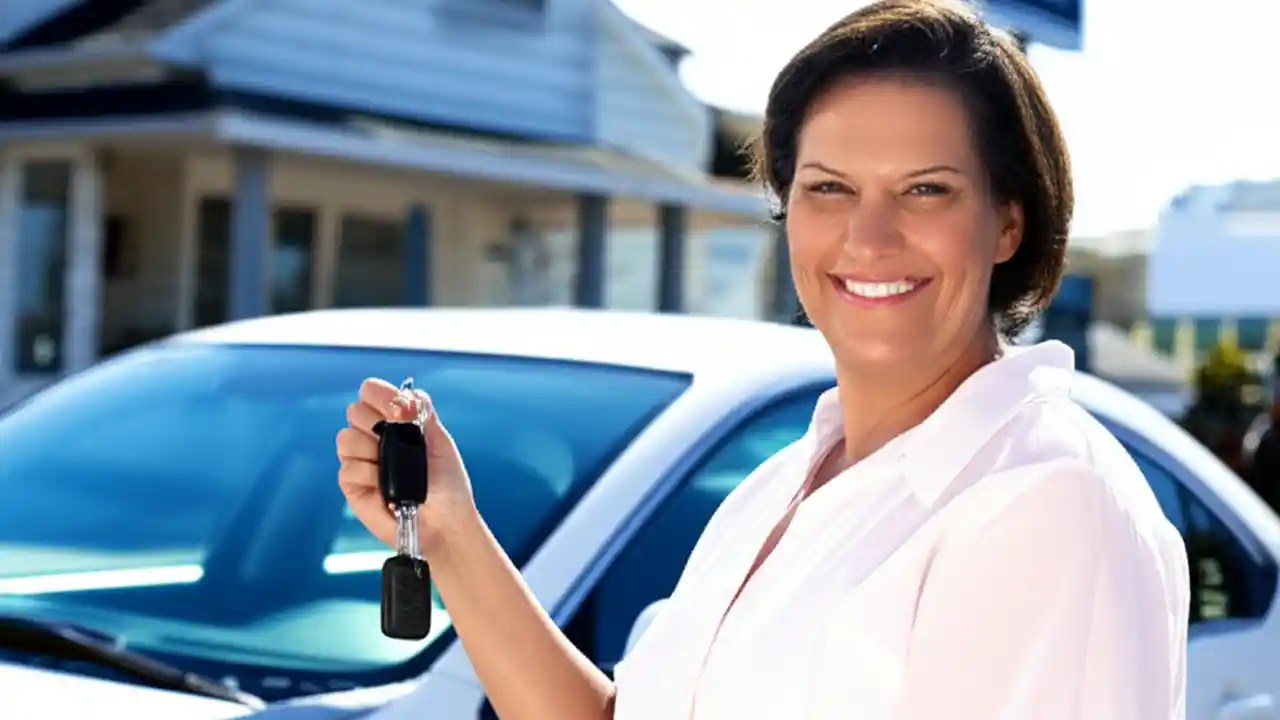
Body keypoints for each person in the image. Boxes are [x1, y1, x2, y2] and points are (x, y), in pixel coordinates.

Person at [335, 1, 1190, 717]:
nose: (869, 237)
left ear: (1009, 220)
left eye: (926, 189)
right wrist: (449, 534)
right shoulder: (780, 488)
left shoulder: (1047, 504)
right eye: (829, 188)